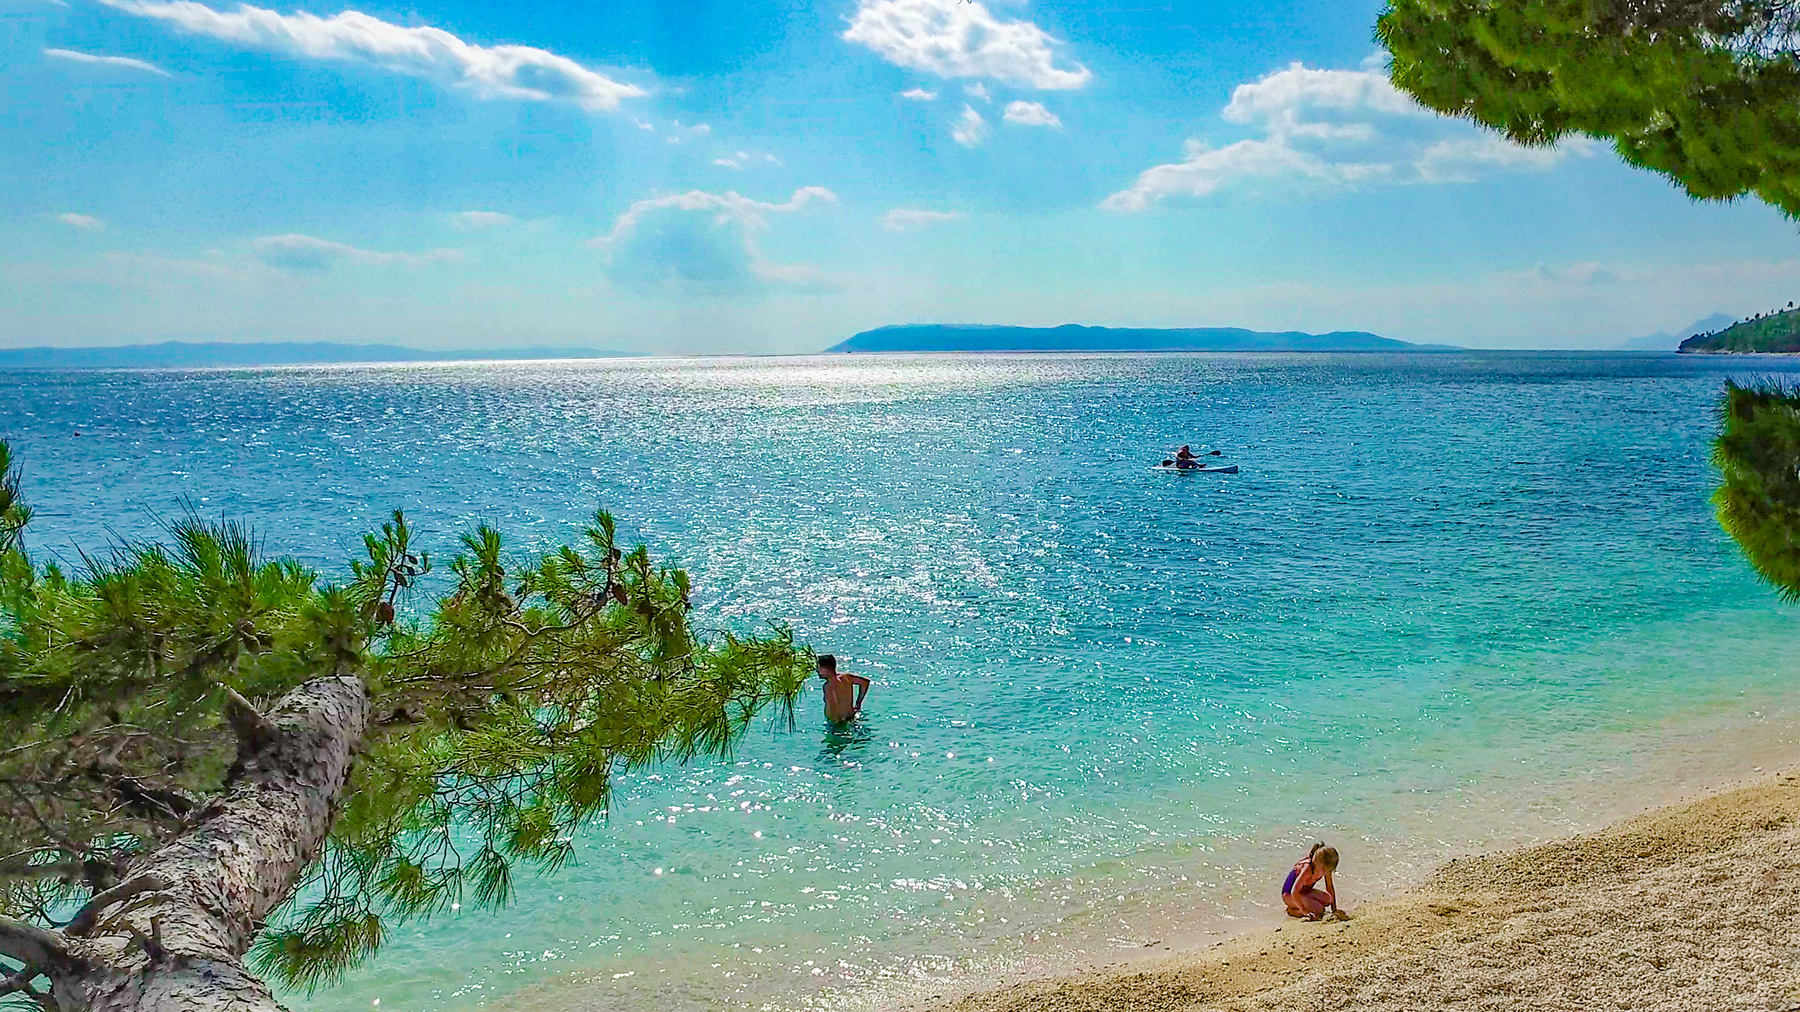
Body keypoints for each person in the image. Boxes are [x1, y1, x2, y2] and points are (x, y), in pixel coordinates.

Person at [1282, 843, 1348, 920]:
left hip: (1303, 892)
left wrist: (1334, 909)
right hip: (1289, 895)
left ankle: (1302, 906)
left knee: (1328, 899)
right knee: (1319, 910)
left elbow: (1329, 888)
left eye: (1329, 871)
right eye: (1324, 870)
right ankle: (1293, 911)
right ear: (1317, 863)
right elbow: (1294, 891)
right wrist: (1304, 911)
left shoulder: (1325, 869)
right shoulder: (1307, 869)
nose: (1327, 873)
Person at [816, 654, 870, 725]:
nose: (817, 671)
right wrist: (858, 703)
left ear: (827, 669)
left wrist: (834, 727)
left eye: (819, 668)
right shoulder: (847, 678)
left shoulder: (828, 686)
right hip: (851, 717)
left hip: (838, 723)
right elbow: (865, 683)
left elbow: (833, 707)